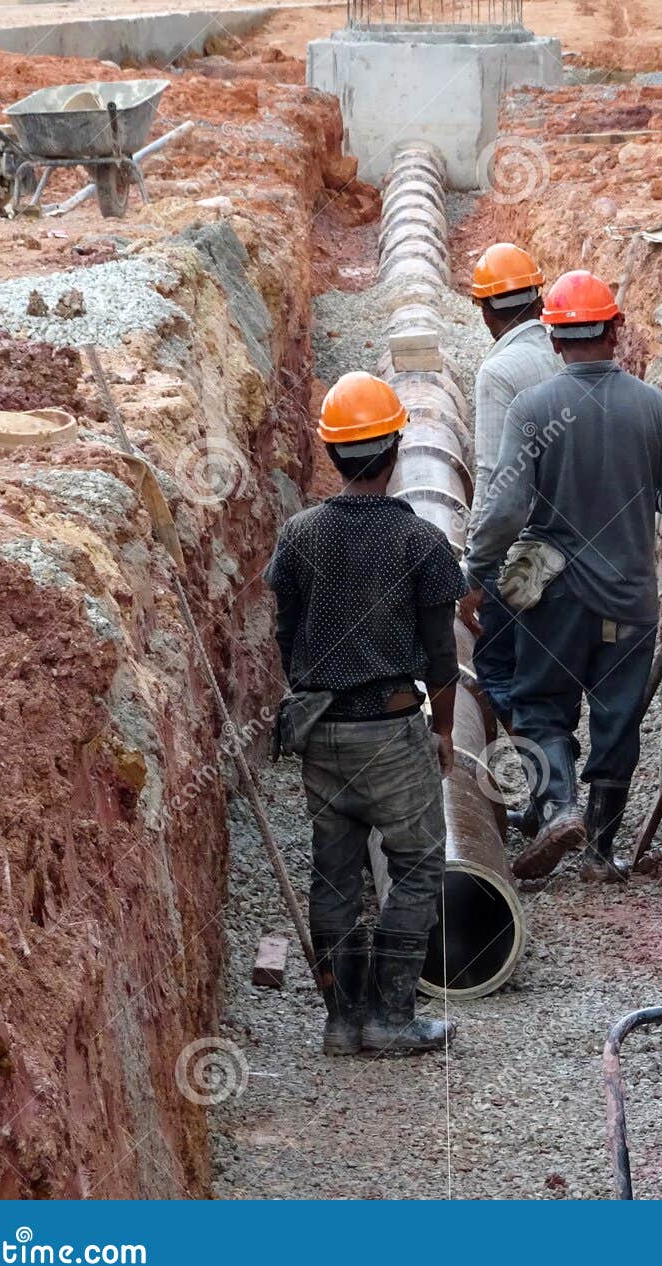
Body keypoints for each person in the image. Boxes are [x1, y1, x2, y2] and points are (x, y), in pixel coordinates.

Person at [466, 270, 662, 884]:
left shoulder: (533, 407)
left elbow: (506, 506)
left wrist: (477, 569)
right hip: (629, 598)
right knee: (618, 716)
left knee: (542, 706)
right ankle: (600, 852)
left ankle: (560, 805)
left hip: (556, 598)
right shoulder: (652, 406)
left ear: (552, 339)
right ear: (616, 329)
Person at [266, 371, 465, 1057]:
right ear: (395, 452)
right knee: (415, 865)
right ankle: (389, 1015)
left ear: (331, 453)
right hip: (391, 728)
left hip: (322, 733)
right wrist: (442, 732)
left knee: (335, 872)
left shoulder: (298, 536)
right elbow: (442, 658)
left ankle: (341, 1021)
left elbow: (286, 639)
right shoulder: (420, 544)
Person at [456, 244, 563, 838]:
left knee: (501, 669)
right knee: (553, 674)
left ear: (486, 311)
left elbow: (499, 483)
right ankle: (574, 807)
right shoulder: (567, 345)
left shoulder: (499, 372)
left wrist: (475, 572)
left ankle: (546, 797)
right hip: (584, 550)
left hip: (524, 556)